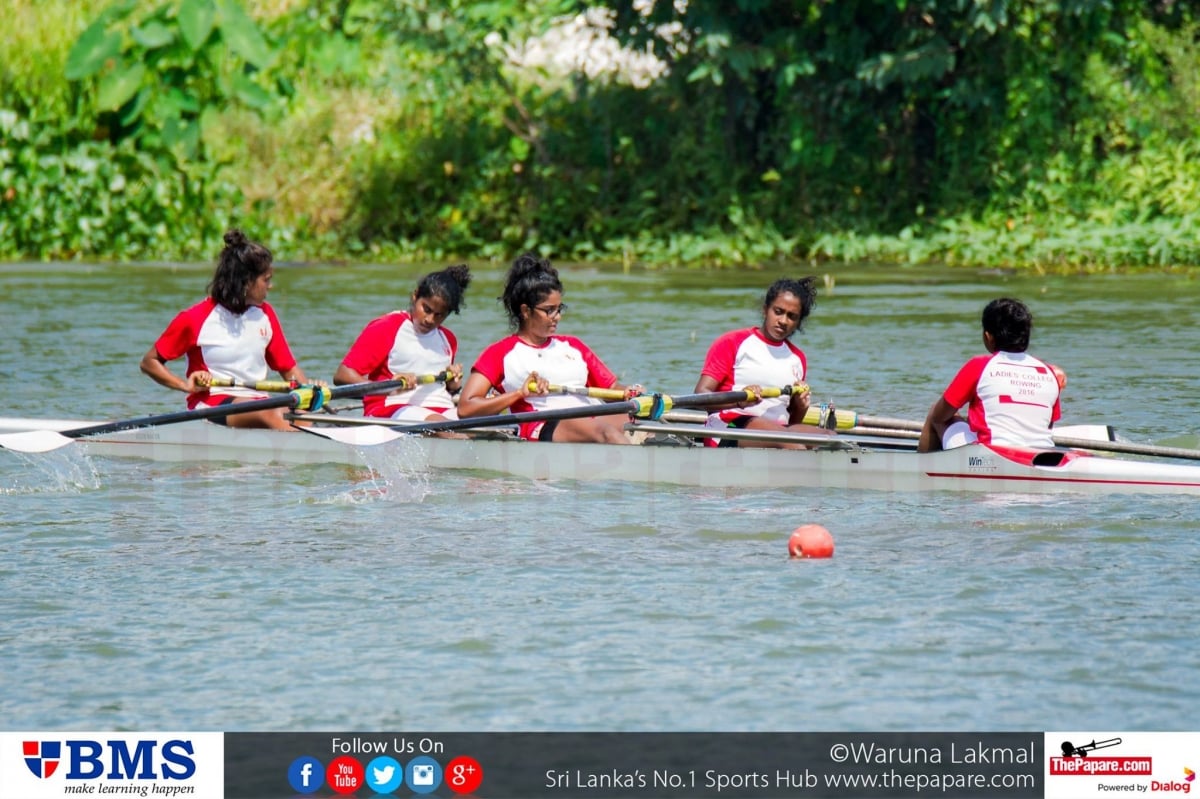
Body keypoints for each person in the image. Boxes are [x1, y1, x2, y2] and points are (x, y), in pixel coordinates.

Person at [139, 229, 318, 431]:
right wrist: (184, 385)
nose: (270, 286)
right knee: (275, 412)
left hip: (260, 405)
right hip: (212, 404)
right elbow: (149, 363)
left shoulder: (266, 315)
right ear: (246, 281)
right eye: (266, 279)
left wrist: (311, 396)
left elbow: (289, 370)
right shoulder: (195, 318)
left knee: (300, 414)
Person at [456, 252, 641, 444]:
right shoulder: (500, 353)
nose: (557, 316)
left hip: (590, 418)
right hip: (542, 423)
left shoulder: (574, 346)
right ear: (525, 311)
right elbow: (466, 409)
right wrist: (519, 394)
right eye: (549, 310)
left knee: (646, 427)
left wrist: (631, 393)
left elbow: (611, 389)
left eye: (559, 309)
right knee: (607, 432)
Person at [693, 276, 834, 449]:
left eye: (792, 316)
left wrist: (800, 407)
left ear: (798, 322)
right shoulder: (732, 342)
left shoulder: (798, 358)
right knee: (791, 443)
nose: (783, 321)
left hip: (777, 431)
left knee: (830, 439)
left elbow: (791, 422)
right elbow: (700, 395)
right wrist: (739, 401)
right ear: (765, 310)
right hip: (728, 426)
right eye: (778, 311)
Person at [917, 297, 1062, 452]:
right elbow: (1047, 425)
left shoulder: (978, 365)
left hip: (986, 459)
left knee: (934, 412)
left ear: (988, 337)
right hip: (1041, 455)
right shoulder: (1048, 372)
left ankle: (920, 465)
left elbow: (940, 416)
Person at [334, 264, 471, 423]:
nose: (430, 319)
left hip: (441, 409)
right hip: (390, 408)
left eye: (439, 315)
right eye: (426, 309)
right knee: (442, 424)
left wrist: (453, 385)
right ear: (415, 296)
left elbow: (446, 391)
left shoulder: (448, 339)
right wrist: (390, 386)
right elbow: (342, 376)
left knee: (481, 420)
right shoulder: (387, 327)